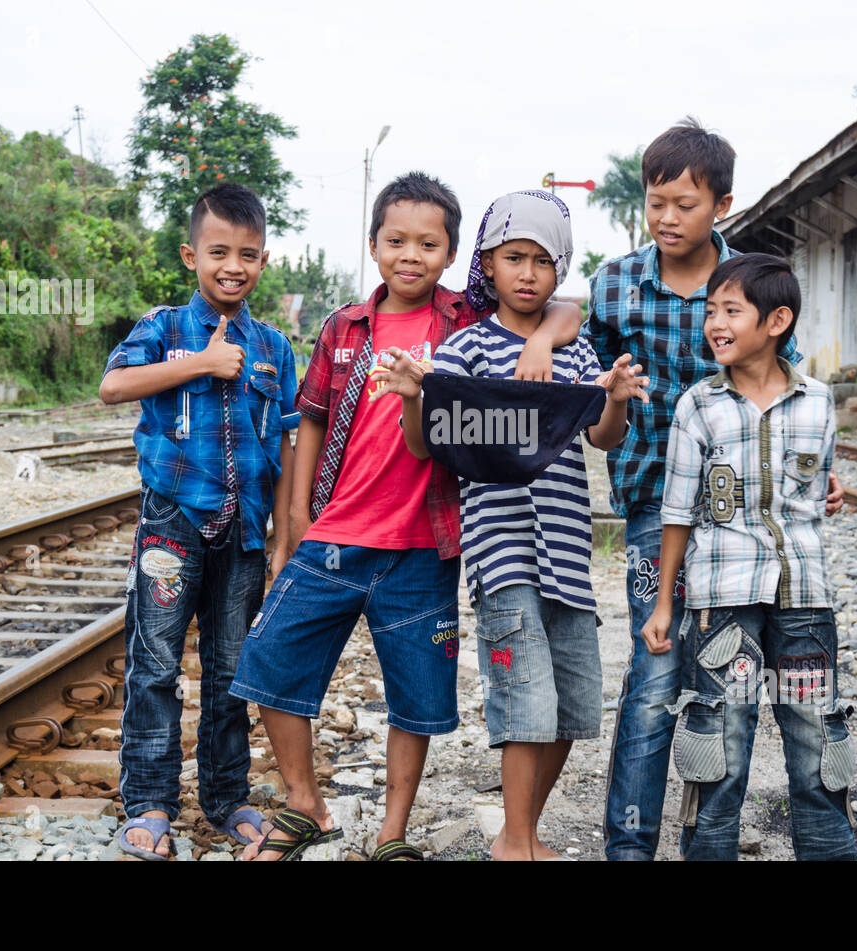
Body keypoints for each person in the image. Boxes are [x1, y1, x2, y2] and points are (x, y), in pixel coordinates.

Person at [230, 172, 583, 861]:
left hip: (425, 541)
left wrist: (543, 341)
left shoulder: (466, 322)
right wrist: (296, 518)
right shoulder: (344, 327)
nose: (411, 255)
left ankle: (392, 831)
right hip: (335, 533)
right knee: (268, 660)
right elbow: (311, 418)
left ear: (453, 255)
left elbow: (560, 306)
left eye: (429, 242)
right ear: (374, 245)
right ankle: (304, 801)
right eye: (397, 240)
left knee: (413, 697)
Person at [586, 117, 845, 861]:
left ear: (721, 205)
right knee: (656, 675)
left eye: (684, 204)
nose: (667, 218)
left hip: (747, 529)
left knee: (735, 693)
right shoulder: (614, 285)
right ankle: (629, 845)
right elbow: (586, 362)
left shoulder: (753, 284)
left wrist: (822, 472)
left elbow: (787, 391)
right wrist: (557, 348)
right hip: (652, 508)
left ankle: (732, 833)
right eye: (655, 201)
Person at [380, 191, 648, 859]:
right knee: (525, 700)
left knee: (570, 707)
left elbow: (604, 438)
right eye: (513, 258)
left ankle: (515, 828)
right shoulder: (464, 349)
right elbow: (425, 445)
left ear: (559, 272)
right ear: (489, 266)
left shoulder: (575, 350)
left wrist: (613, 400)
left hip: (567, 551)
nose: (528, 273)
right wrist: (416, 398)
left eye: (543, 262)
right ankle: (519, 843)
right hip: (502, 552)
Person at [99, 182, 299, 860]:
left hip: (243, 529)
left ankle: (226, 797)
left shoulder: (273, 347)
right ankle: (149, 802)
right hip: (172, 523)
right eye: (218, 252)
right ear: (192, 254)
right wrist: (205, 364)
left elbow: (290, 438)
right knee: (154, 662)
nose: (232, 266)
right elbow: (113, 386)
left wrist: (285, 532)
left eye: (247, 254)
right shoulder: (163, 327)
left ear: (264, 261)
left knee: (230, 668)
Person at [642, 252, 857, 861]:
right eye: (710, 311)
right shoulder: (698, 406)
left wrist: (831, 491)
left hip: (806, 602)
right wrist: (664, 603)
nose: (715, 323)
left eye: (730, 310)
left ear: (776, 320)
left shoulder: (819, 400)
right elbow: (678, 510)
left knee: (817, 746)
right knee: (720, 748)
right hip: (723, 604)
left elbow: (816, 488)